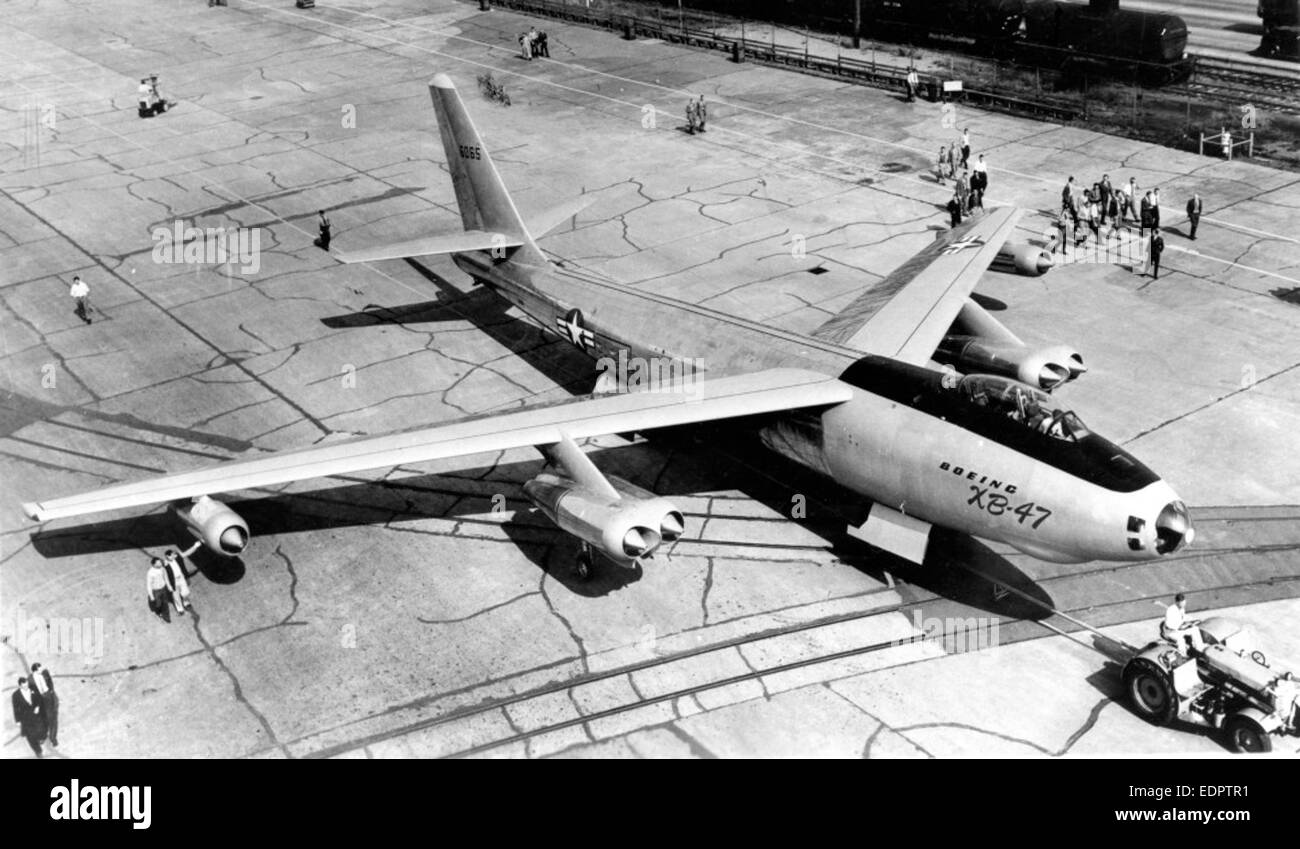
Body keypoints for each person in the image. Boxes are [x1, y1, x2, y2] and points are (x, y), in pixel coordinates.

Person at [12, 677, 47, 757]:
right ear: (20, 686)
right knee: (30, 737)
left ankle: (41, 737)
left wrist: (37, 706)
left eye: (27, 685)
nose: (27, 687)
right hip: (26, 718)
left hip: (36, 715)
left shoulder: (32, 688)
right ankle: (38, 751)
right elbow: (16, 708)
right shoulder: (16, 695)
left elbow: (39, 698)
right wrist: (18, 721)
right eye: (24, 686)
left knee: (41, 729)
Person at [29, 663, 57, 748]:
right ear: (36, 670)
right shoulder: (30, 680)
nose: (41, 670)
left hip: (47, 696)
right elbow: (32, 694)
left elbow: (49, 681)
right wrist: (36, 705)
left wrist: (51, 692)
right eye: (39, 669)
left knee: (51, 718)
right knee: (42, 719)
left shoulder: (44, 674)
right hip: (40, 700)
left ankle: (53, 738)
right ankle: (43, 736)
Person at [164, 549, 193, 614]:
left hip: (181, 578)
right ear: (167, 556)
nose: (174, 556)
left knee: (185, 592)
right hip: (174, 581)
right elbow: (164, 576)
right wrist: (168, 585)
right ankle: (180, 609)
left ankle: (186, 603)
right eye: (172, 555)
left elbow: (186, 553)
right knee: (176, 596)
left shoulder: (177, 558)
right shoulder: (165, 564)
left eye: (174, 554)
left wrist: (195, 546)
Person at [147, 557, 172, 622]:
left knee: (165, 603)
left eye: (160, 562)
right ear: (154, 564)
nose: (161, 563)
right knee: (158, 604)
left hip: (163, 589)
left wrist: (169, 586)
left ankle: (166, 617)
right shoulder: (150, 573)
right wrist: (151, 596)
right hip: (156, 591)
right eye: (159, 563)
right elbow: (149, 585)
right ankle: (158, 612)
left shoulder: (162, 569)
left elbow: (166, 578)